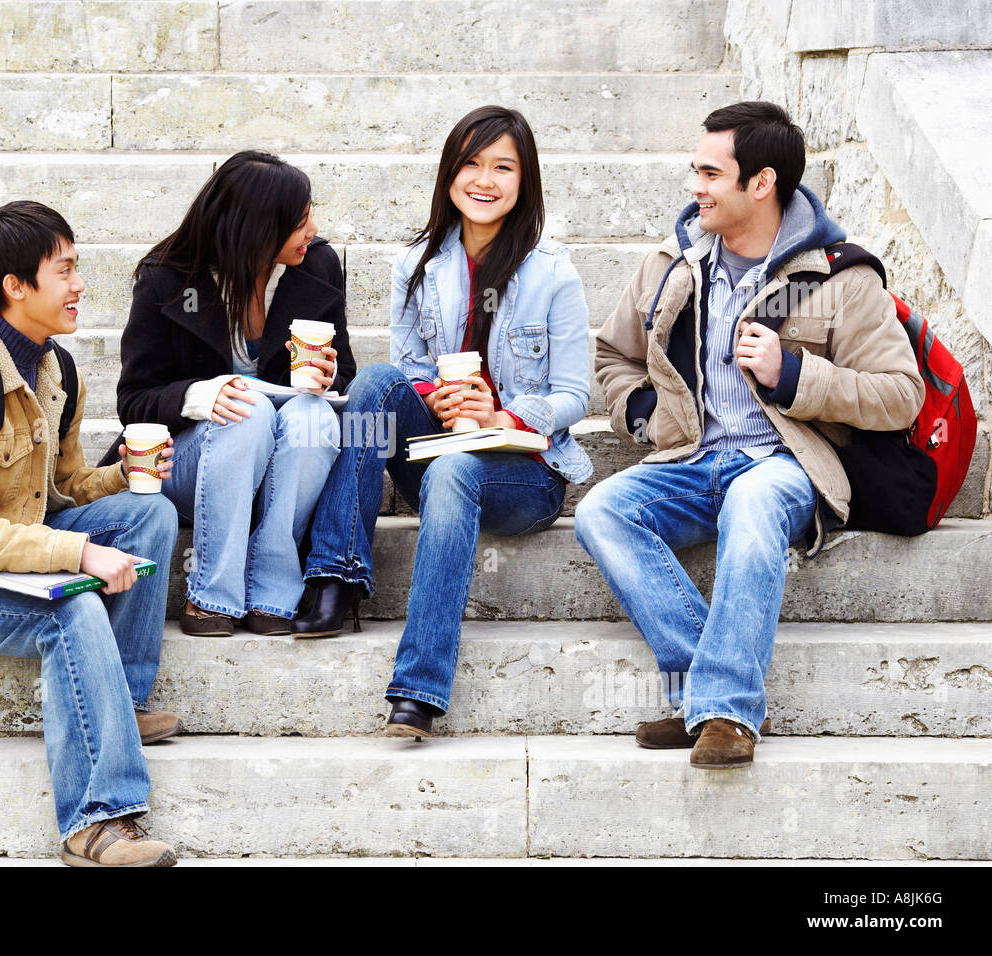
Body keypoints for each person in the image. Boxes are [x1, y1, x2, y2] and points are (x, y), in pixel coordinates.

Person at [575, 102, 924, 769]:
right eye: (694, 170)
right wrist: (643, 413)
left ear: (760, 183)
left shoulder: (839, 276)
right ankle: (712, 690)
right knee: (600, 510)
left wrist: (796, 375)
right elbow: (612, 357)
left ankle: (726, 714)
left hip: (785, 461)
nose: (694, 187)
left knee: (754, 500)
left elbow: (901, 396)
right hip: (690, 457)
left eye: (710, 172)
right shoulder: (671, 265)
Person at [0, 201, 182, 867]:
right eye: (65, 270)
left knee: (151, 513)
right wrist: (78, 551)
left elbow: (64, 487)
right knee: (71, 609)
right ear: (15, 286)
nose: (79, 285)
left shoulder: (57, 368)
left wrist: (121, 475)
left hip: (16, 552)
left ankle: (120, 706)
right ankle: (96, 822)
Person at [294, 106, 592, 738]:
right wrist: (436, 396)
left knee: (458, 467)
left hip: (522, 474)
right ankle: (337, 574)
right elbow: (406, 365)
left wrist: (501, 411)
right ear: (450, 172)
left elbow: (575, 394)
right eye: (471, 163)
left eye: (502, 167)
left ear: (525, 180)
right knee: (375, 381)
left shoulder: (553, 271)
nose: (484, 180)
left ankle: (421, 688)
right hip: (432, 449)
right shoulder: (417, 264)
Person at [110, 150, 355, 637]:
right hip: (190, 462)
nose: (312, 231)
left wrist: (328, 377)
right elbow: (134, 400)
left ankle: (273, 594)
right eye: (299, 222)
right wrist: (202, 396)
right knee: (248, 411)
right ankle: (210, 596)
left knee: (314, 416)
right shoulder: (169, 278)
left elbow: (344, 372)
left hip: (284, 462)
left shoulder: (317, 264)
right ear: (258, 228)